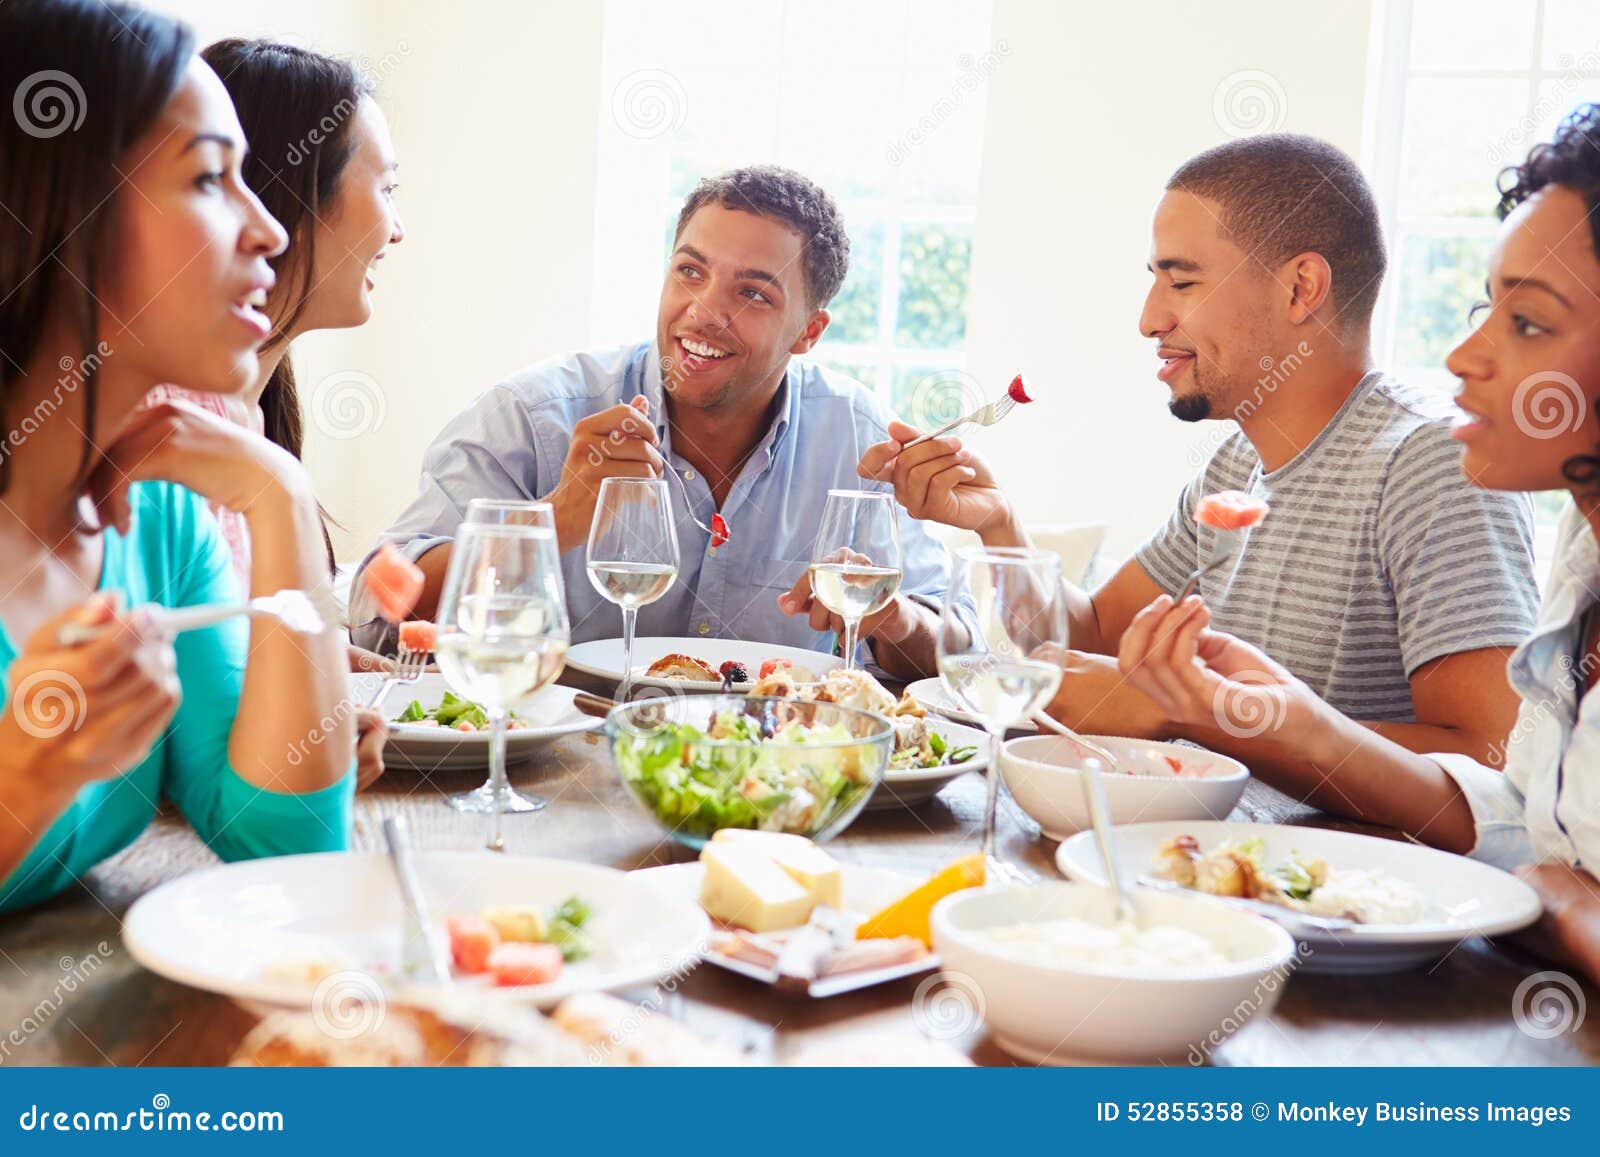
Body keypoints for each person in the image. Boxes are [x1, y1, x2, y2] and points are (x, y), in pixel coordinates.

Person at [861, 134, 1539, 765]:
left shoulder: (1429, 462)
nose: (1149, 318)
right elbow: (1090, 636)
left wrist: (1189, 715)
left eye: (1181, 282)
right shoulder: (1235, 466)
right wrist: (997, 525)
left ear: (1300, 287)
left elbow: (1487, 757)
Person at [1116, 108, 1600, 984]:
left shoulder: (1421, 460)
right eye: (1482, 310)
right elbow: (1515, 811)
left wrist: (1566, 910)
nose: (1462, 355)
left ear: (1301, 288)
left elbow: (1518, 819)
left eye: (1526, 323)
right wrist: (1290, 723)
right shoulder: (1583, 561)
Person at [0, 0, 354, 912]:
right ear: (59, 205)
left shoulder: (157, 520)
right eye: (208, 179)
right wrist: (20, 784)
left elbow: (288, 844)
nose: (268, 229)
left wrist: (278, 493)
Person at [351, 166, 965, 677]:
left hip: (771, 784)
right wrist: (554, 521)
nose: (704, 313)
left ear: (809, 332)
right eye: (690, 271)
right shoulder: (537, 416)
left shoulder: (858, 440)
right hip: (552, 775)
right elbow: (379, 605)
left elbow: (958, 657)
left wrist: (889, 616)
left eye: (753, 293)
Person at [143, 38, 407, 789]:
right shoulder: (171, 433)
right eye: (387, 188)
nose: (396, 231)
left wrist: (306, 670)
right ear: (291, 194)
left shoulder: (251, 412)